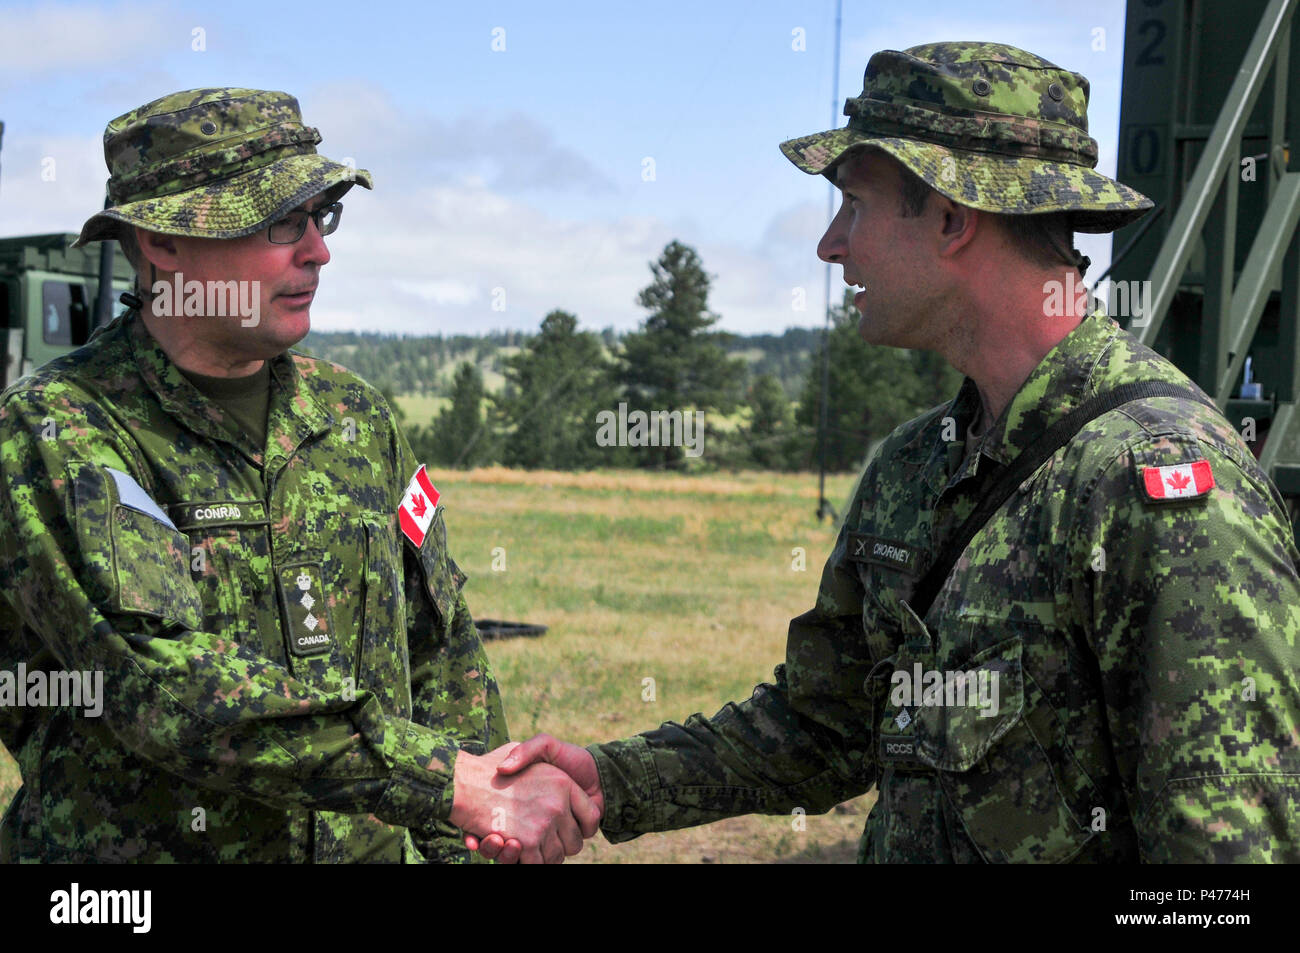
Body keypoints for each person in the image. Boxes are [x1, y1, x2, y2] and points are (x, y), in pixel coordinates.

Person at [475, 42, 1300, 863]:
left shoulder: (1157, 488)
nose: (832, 246)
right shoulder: (916, 467)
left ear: (951, 216)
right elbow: (824, 725)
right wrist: (607, 780)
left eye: (854, 206)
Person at [0, 87, 598, 863]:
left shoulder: (355, 417)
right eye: (283, 221)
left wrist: (478, 834)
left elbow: (440, 650)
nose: (317, 251)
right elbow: (171, 686)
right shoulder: (59, 428)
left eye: (323, 216)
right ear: (164, 244)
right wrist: (448, 782)